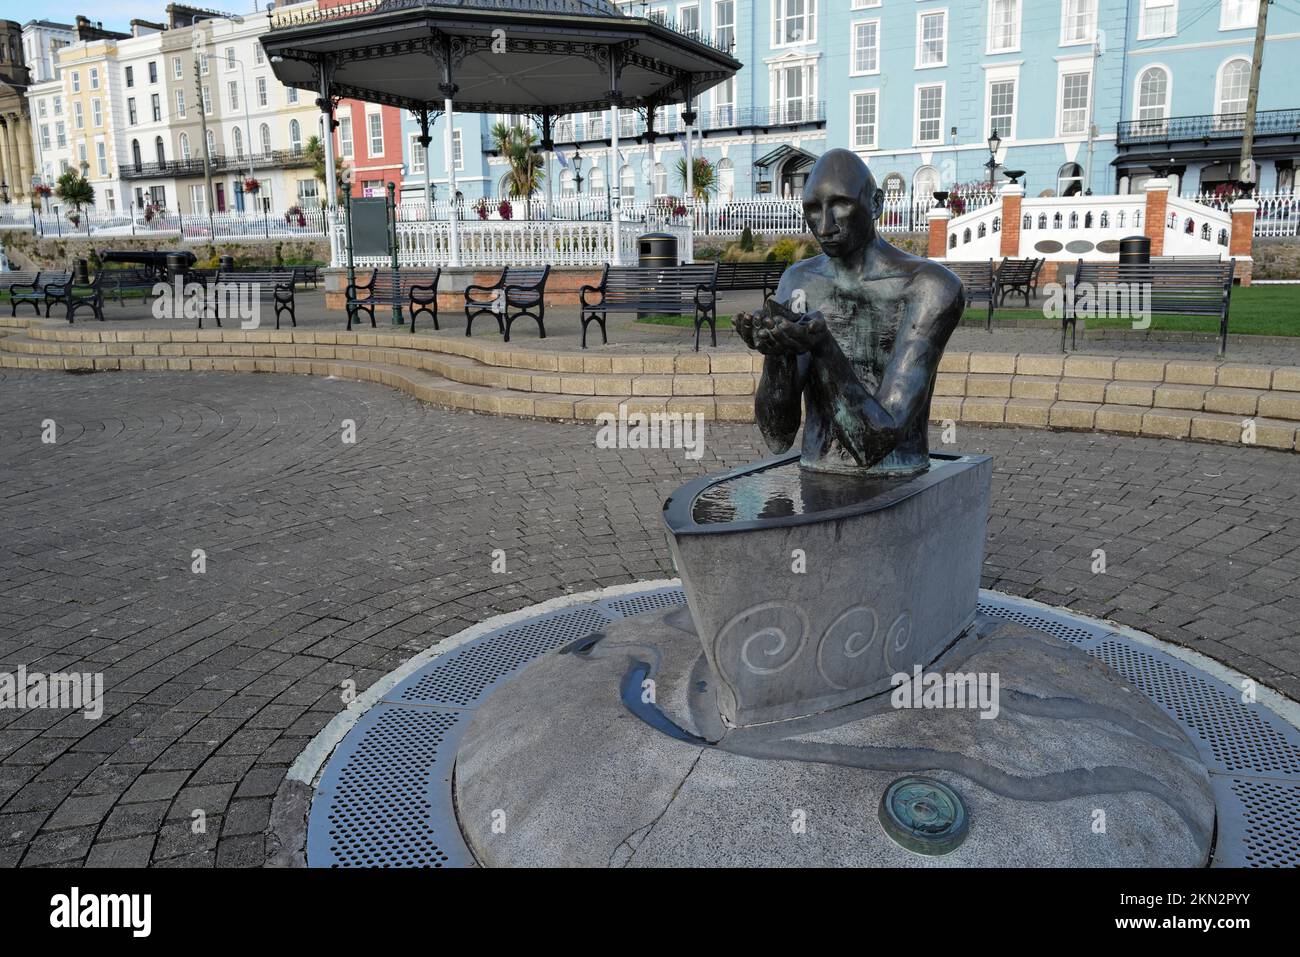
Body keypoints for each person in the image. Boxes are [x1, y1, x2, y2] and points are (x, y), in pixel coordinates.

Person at [733, 149, 965, 476]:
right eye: (813, 209)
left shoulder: (929, 287)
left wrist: (823, 347)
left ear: (876, 204)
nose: (824, 226)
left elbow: (875, 443)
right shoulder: (799, 281)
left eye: (841, 204)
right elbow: (777, 434)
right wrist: (778, 357)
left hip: (894, 472)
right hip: (816, 466)